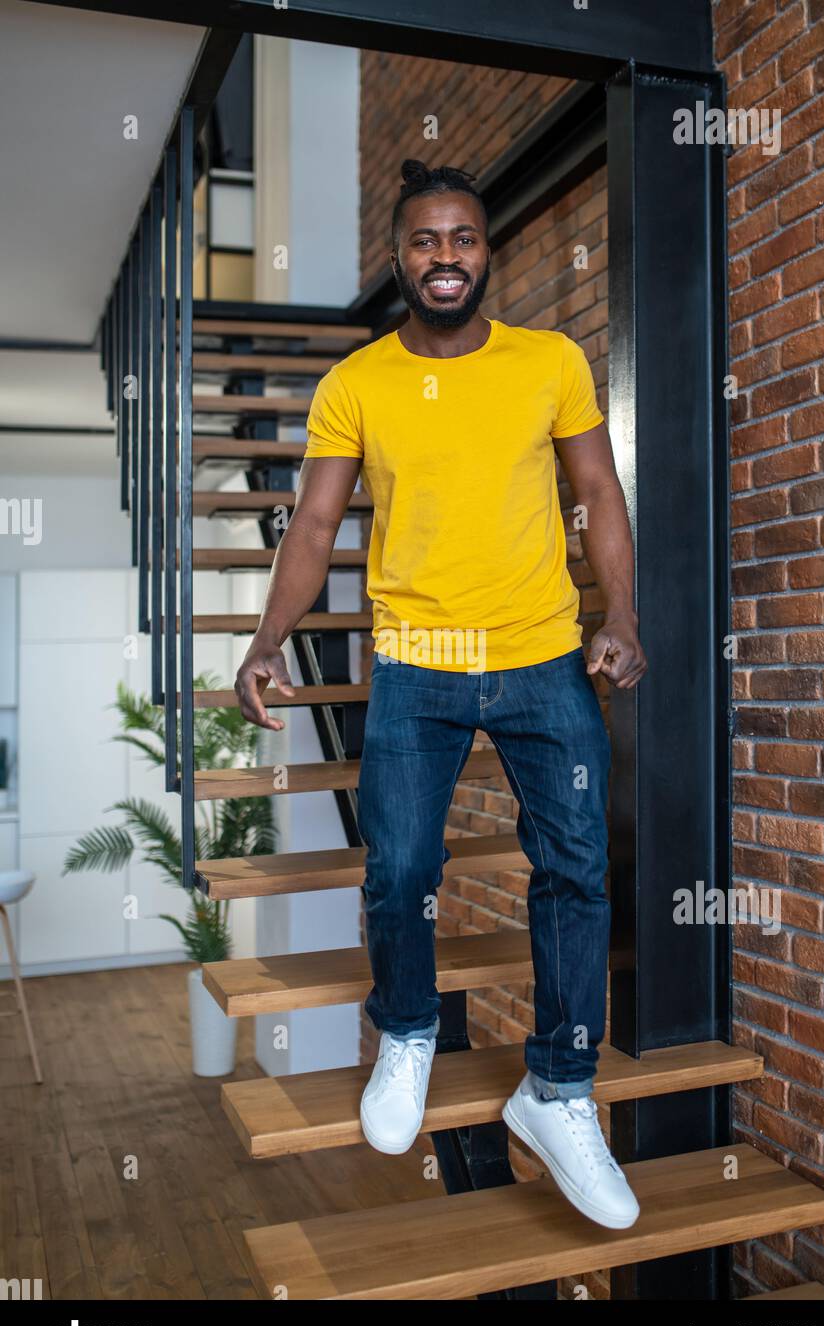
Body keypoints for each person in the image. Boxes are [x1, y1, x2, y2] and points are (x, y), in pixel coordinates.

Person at [234, 158, 648, 1231]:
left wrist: (623, 617)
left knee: (574, 867)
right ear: (400, 258)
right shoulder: (357, 383)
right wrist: (269, 641)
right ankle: (408, 1030)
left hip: (543, 655)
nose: (447, 256)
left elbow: (598, 489)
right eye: (427, 241)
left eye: (463, 238)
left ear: (485, 252)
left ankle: (558, 1089)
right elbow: (315, 527)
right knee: (403, 863)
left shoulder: (547, 362)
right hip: (417, 662)